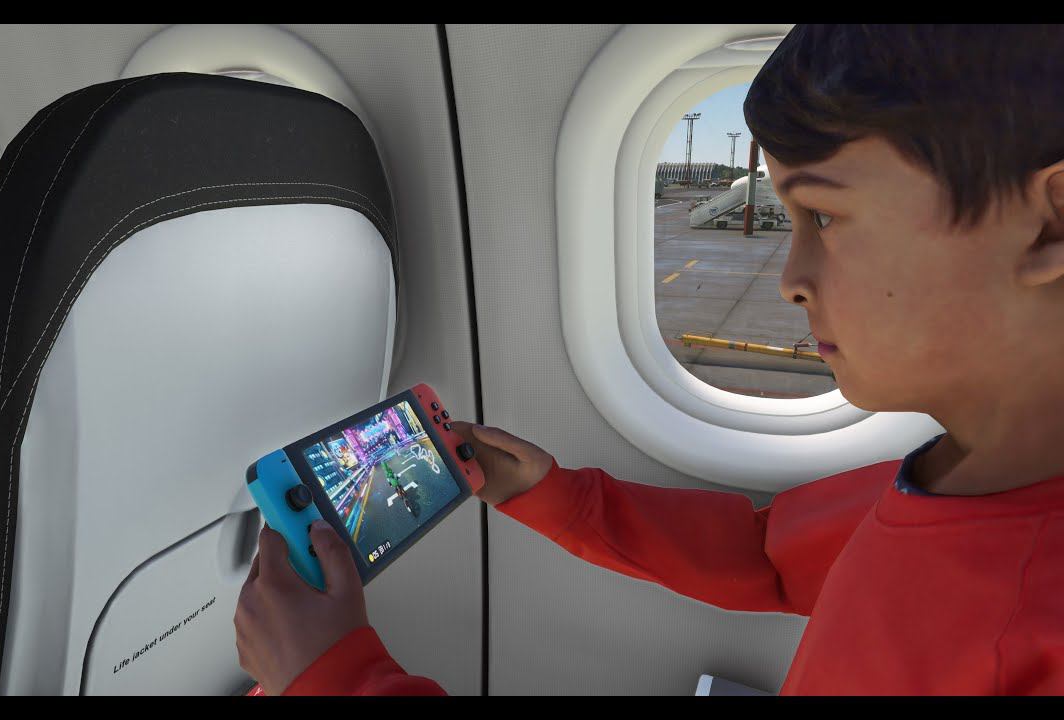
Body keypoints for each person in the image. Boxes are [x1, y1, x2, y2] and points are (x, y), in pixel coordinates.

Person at [233, 24, 1064, 695]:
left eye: (824, 217)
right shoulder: (962, 476)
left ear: (1049, 221)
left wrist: (335, 679)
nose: (791, 280)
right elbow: (770, 556)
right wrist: (557, 497)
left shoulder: (1031, 626)